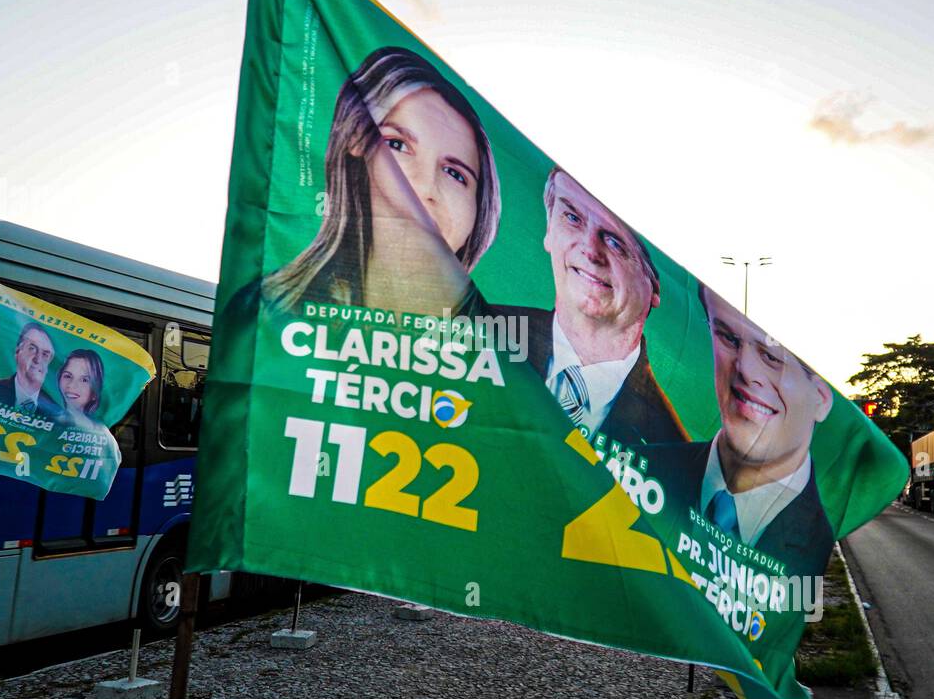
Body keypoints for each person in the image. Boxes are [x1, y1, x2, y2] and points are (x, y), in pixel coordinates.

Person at [260, 46, 501, 315]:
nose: (423, 189)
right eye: (397, 145)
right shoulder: (267, 316)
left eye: (455, 174)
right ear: (357, 142)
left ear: (481, 212)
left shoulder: (503, 344)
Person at [644, 284, 835, 577]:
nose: (744, 368)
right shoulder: (638, 470)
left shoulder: (820, 537)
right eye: (728, 338)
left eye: (773, 357)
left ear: (820, 399)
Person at [495, 167, 687, 447]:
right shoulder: (473, 331)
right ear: (549, 229)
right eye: (572, 218)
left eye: (615, 242)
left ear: (655, 286)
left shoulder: (673, 451)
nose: (589, 251)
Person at [0, 322, 63, 418]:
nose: (38, 359)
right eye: (32, 348)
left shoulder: (57, 413)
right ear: (17, 352)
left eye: (45, 354)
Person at [57, 349, 105, 431]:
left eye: (84, 380)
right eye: (68, 376)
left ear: (94, 393)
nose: (71, 385)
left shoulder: (101, 436)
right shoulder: (41, 420)